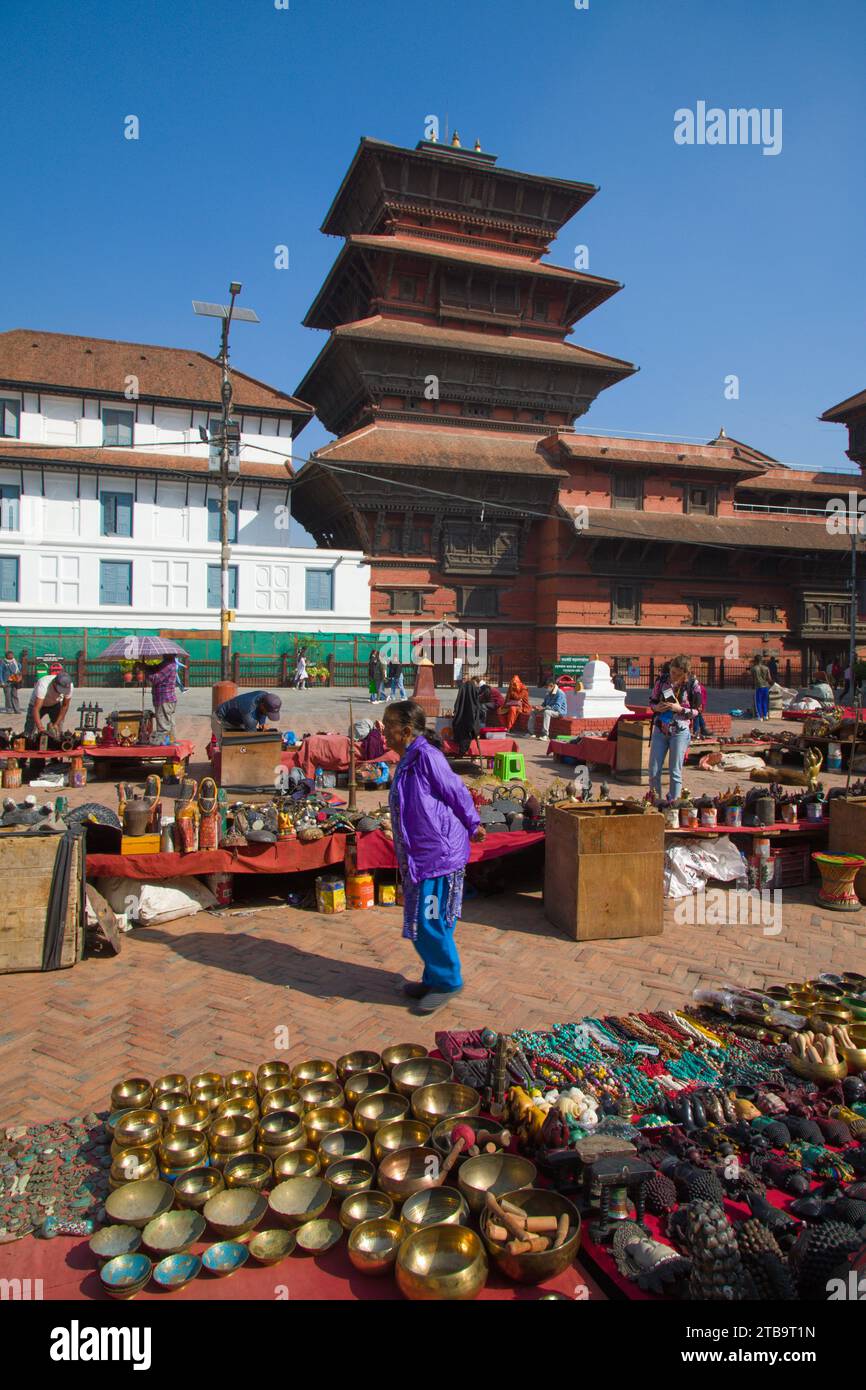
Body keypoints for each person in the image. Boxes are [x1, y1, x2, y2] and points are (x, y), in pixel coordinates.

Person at [384, 699, 485, 1015]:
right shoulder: (408, 758)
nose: (384, 731)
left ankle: (448, 981)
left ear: (407, 730)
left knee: (429, 922)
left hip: (439, 854)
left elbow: (455, 789)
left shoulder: (427, 757)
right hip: (421, 856)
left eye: (388, 725)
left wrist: (473, 823)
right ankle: (433, 976)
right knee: (424, 921)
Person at [648, 656, 699, 801]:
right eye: (672, 672)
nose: (673, 676)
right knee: (653, 770)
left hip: (680, 731)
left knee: (675, 771)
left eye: (677, 673)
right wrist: (656, 707)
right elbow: (652, 701)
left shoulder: (692, 685)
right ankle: (654, 801)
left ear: (685, 673)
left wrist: (679, 709)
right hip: (661, 728)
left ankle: (673, 803)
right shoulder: (662, 681)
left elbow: (697, 711)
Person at [140, 656, 179, 743]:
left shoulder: (169, 665)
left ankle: (166, 746)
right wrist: (145, 666)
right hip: (165, 699)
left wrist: (145, 671)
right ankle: (172, 743)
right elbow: (155, 668)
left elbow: (155, 678)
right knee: (170, 724)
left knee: (163, 726)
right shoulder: (166, 663)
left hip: (164, 699)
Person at [25, 670, 74, 739]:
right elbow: (36, 708)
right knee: (29, 730)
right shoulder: (44, 684)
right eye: (59, 689)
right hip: (38, 705)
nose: (60, 692)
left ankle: (55, 742)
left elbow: (65, 706)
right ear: (54, 683)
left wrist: (56, 723)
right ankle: (28, 740)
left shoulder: (69, 686)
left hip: (55, 704)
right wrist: (40, 728)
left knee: (58, 730)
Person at [215, 690, 282, 732]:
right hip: (222, 719)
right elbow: (251, 736)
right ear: (262, 705)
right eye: (268, 713)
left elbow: (263, 710)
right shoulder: (249, 713)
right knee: (230, 748)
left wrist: (262, 723)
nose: (267, 715)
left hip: (239, 719)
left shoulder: (264, 696)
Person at [451, 673, 483, 755]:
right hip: (470, 726)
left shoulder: (463, 688)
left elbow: (457, 705)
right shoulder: (473, 692)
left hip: (460, 725)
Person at [751, 654, 772, 720]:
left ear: (755, 660)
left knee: (758, 702)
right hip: (766, 686)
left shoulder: (754, 668)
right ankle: (765, 715)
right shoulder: (766, 668)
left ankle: (760, 716)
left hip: (758, 686)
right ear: (761, 660)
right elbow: (769, 678)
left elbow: (753, 678)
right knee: (765, 701)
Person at [691, 674, 709, 739]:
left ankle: (697, 731)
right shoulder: (694, 686)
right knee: (698, 715)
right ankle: (703, 729)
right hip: (695, 704)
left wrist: (699, 705)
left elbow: (700, 697)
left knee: (697, 715)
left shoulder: (698, 687)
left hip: (696, 704)